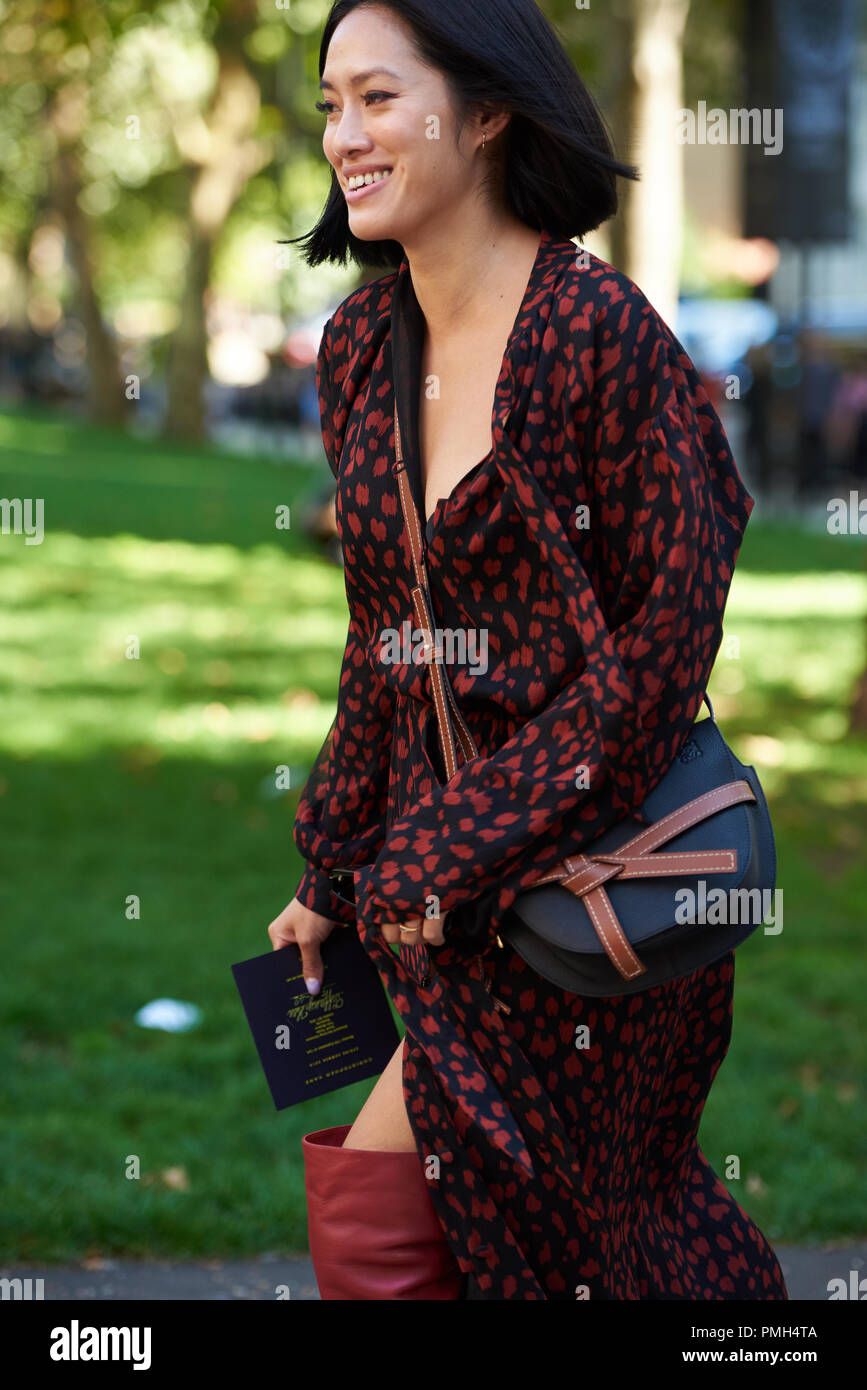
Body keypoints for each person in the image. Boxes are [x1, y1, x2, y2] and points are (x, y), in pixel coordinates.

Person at [267, 0, 789, 1301]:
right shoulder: (359, 351)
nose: (345, 134)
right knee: (456, 1232)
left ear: (489, 109)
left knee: (560, 1239)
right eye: (332, 103)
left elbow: (668, 641)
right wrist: (334, 867)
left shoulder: (600, 337)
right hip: (431, 898)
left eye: (379, 98)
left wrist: (453, 844)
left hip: (588, 886)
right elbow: (383, 641)